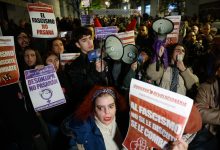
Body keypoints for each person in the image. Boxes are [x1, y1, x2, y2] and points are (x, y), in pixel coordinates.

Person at [62, 85, 127, 150]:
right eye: (100, 108)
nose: (107, 112)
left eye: (111, 106)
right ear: (93, 109)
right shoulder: (84, 131)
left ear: (116, 106)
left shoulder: (123, 119)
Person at [64, 27, 110, 108]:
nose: (89, 42)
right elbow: (81, 90)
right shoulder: (74, 66)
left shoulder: (101, 56)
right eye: (84, 40)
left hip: (105, 100)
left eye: (90, 38)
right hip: (89, 105)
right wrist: (97, 72)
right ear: (78, 44)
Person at [191, 56, 220, 150]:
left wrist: (211, 112)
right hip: (209, 133)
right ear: (217, 71)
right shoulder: (206, 87)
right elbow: (199, 112)